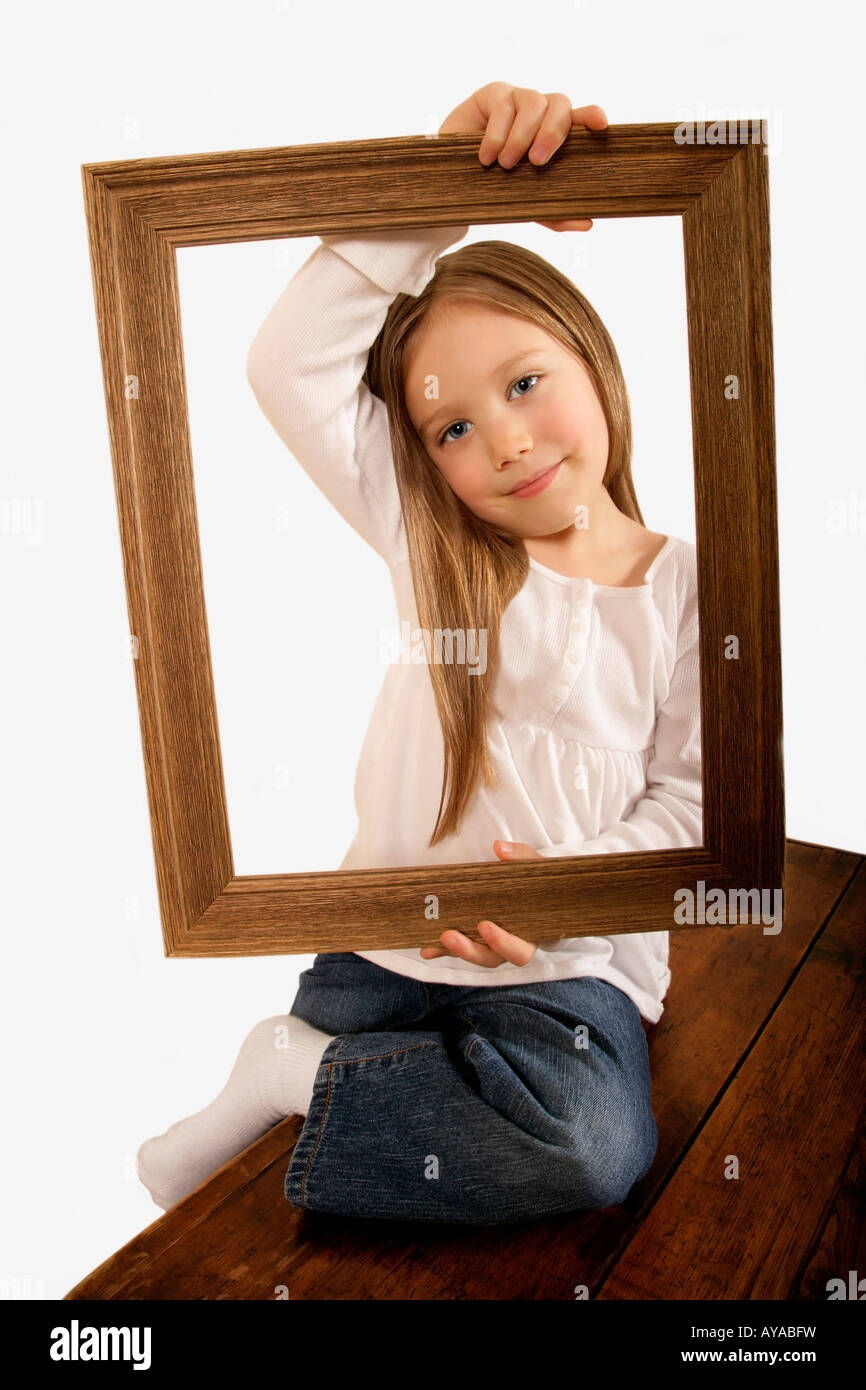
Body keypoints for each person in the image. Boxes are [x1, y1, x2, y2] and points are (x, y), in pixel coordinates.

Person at [136, 83, 701, 1226]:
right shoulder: (431, 538)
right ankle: (316, 1068)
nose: (501, 438)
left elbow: (693, 801)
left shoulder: (691, 584)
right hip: (391, 954)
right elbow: (286, 365)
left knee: (589, 1147)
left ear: (593, 359)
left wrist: (561, 886)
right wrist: (431, 187)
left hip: (567, 979)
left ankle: (292, 1078)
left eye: (525, 383)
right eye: (450, 425)